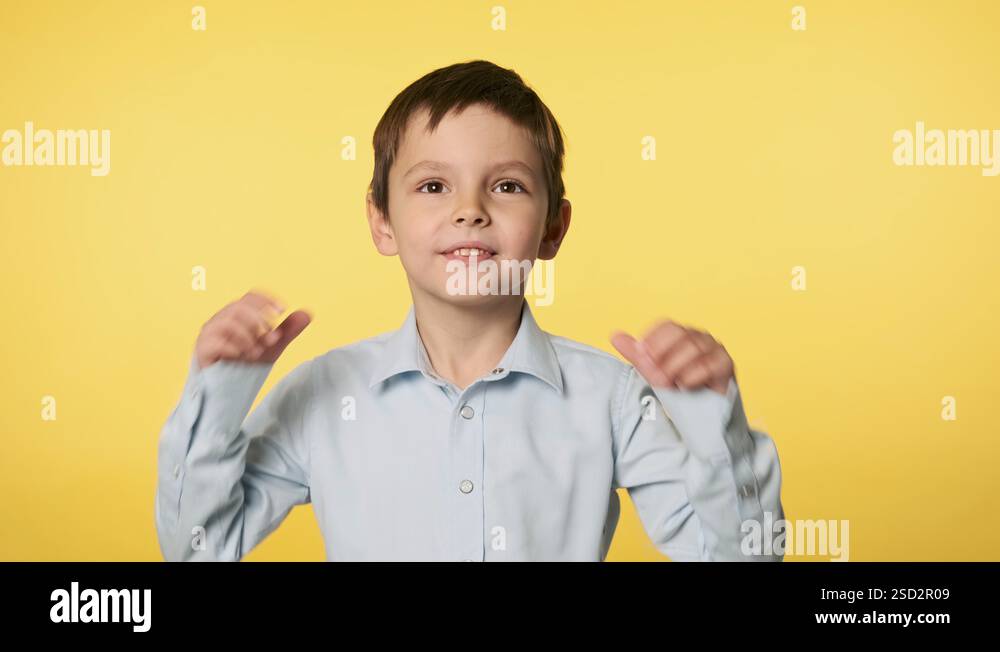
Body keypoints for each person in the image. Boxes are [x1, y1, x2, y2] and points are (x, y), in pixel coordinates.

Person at [154, 59, 784, 562]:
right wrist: (217, 400)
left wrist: (713, 419)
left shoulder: (612, 397)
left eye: (507, 185)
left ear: (552, 228)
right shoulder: (324, 394)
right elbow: (196, 550)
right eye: (433, 186)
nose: (470, 209)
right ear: (382, 223)